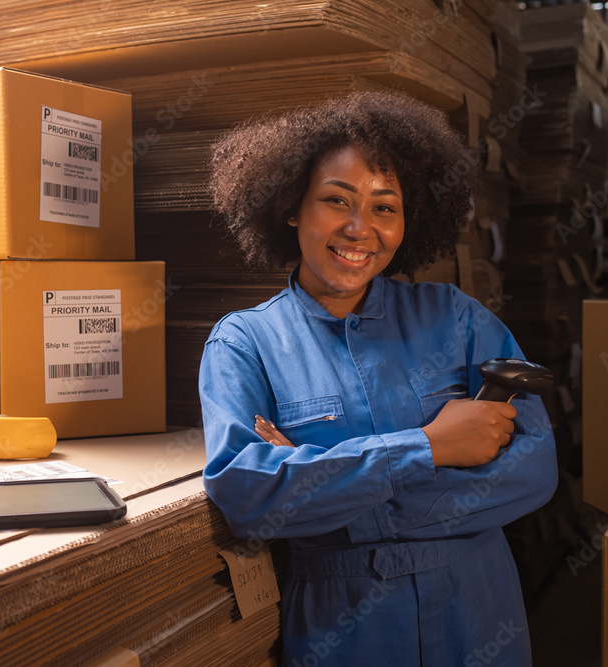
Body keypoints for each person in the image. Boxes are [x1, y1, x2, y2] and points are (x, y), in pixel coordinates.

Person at [199, 90, 558, 666]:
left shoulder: (458, 319)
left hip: (478, 607)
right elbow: (248, 493)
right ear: (293, 206)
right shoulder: (245, 344)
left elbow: (533, 471)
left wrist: (333, 506)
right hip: (345, 624)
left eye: (384, 207)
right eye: (336, 201)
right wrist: (429, 447)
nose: (359, 228)